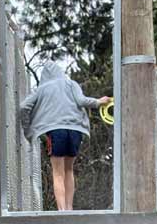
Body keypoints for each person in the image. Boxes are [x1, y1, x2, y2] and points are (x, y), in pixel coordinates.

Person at [20, 61, 110, 211]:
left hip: (55, 132)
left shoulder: (41, 89)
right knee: (69, 170)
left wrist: (27, 130)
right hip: (75, 130)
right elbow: (81, 101)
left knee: (58, 173)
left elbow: (24, 107)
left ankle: (61, 211)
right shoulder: (71, 84)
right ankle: (69, 208)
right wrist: (99, 102)